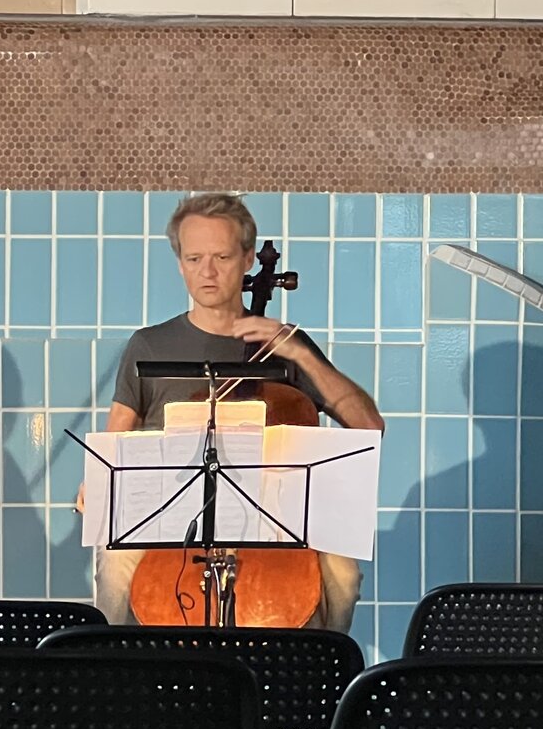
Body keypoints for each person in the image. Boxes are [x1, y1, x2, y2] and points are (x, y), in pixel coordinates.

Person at [84, 191, 384, 631]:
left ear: (246, 259)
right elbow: (115, 438)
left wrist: (300, 354)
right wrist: (94, 487)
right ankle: (112, 665)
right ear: (180, 263)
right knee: (112, 567)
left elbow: (368, 425)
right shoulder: (148, 345)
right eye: (194, 258)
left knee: (344, 573)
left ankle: (326, 662)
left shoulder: (284, 345)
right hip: (171, 514)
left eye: (222, 257)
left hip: (275, 516)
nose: (207, 271)